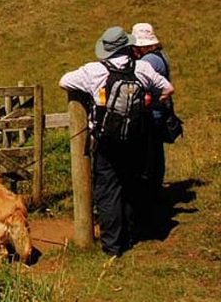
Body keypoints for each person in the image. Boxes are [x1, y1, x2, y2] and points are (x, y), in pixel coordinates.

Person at [59, 26, 174, 256]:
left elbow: (64, 81)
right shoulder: (141, 68)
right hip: (136, 139)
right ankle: (130, 236)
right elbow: (168, 89)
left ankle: (112, 245)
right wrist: (149, 103)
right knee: (130, 185)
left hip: (107, 141)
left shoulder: (94, 71)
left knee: (107, 189)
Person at [131, 22, 172, 226]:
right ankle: (156, 193)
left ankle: (150, 197)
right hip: (160, 112)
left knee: (149, 156)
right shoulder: (160, 56)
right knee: (156, 154)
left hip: (151, 113)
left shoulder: (148, 61)